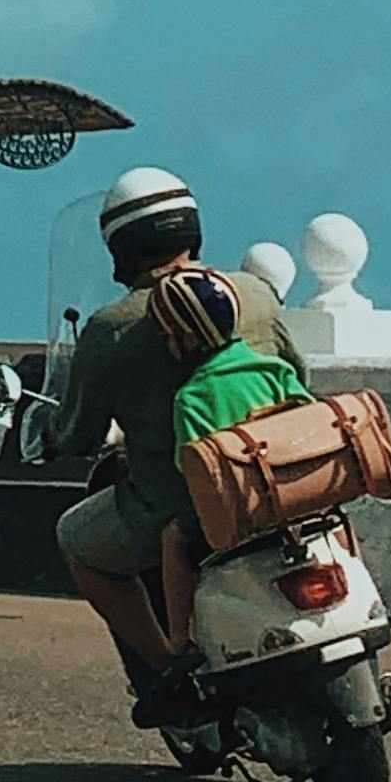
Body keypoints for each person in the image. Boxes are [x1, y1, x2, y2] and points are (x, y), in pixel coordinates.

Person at [45, 165, 312, 727]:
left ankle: (172, 662)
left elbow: (81, 433)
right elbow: (298, 373)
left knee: (76, 540)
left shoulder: (113, 326)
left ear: (120, 245)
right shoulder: (255, 294)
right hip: (282, 482)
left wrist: (51, 436)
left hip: (178, 500)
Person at [149, 257, 314, 667]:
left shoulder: (191, 396)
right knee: (336, 524)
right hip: (296, 498)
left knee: (173, 538)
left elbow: (189, 466)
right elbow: (308, 419)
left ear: (185, 338)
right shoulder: (273, 369)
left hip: (243, 514)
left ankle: (178, 641)